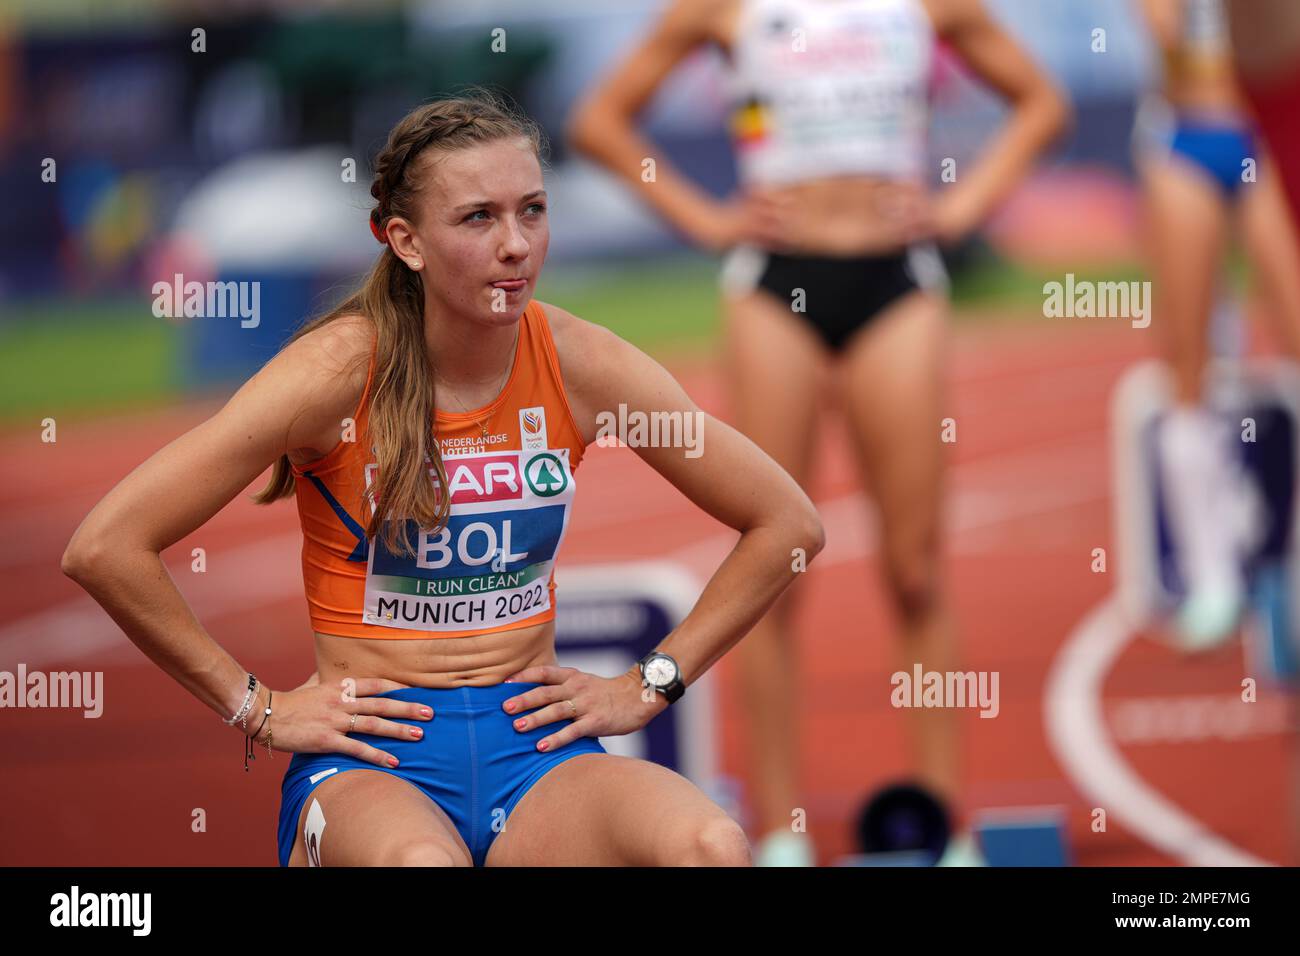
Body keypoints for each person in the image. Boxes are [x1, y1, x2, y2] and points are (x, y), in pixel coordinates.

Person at [61, 91, 824, 867]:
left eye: (532, 210)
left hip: (537, 756)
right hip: (372, 763)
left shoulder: (582, 363)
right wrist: (255, 707)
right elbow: (106, 545)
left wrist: (652, 681)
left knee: (713, 845)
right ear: (405, 240)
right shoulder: (334, 374)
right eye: (478, 218)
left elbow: (787, 523)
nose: (516, 245)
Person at [568, 0, 1069, 865]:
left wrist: (965, 206)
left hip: (897, 282)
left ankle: (946, 829)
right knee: (776, 564)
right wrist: (703, 219)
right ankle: (778, 831)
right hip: (774, 284)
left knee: (915, 569)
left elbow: (1042, 101)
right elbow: (598, 122)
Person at [1134, 0, 1300, 646]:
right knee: (1187, 360)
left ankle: (1285, 570)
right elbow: (1165, 31)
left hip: (1260, 131)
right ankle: (1212, 579)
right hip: (1183, 136)